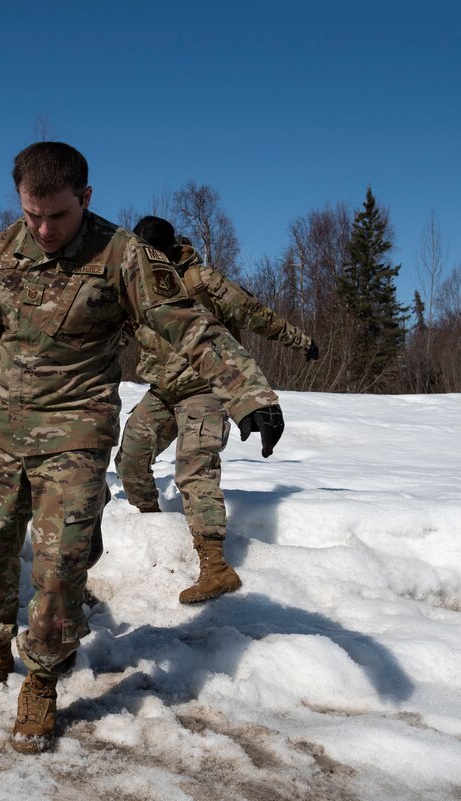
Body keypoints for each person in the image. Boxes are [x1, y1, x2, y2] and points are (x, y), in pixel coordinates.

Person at [0, 142, 284, 754]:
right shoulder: (2, 252)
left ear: (86, 198)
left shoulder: (123, 256)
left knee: (59, 564)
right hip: (2, 430)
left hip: (76, 430)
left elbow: (190, 324)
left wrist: (247, 390)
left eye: (58, 217)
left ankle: (42, 678)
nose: (43, 230)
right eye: (31, 215)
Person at [117, 216, 319, 604]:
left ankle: (216, 567)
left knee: (194, 469)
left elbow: (256, 314)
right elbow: (113, 333)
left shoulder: (201, 282)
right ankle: (153, 532)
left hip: (206, 390)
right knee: (130, 462)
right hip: (162, 392)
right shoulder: (133, 285)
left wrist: (300, 341)